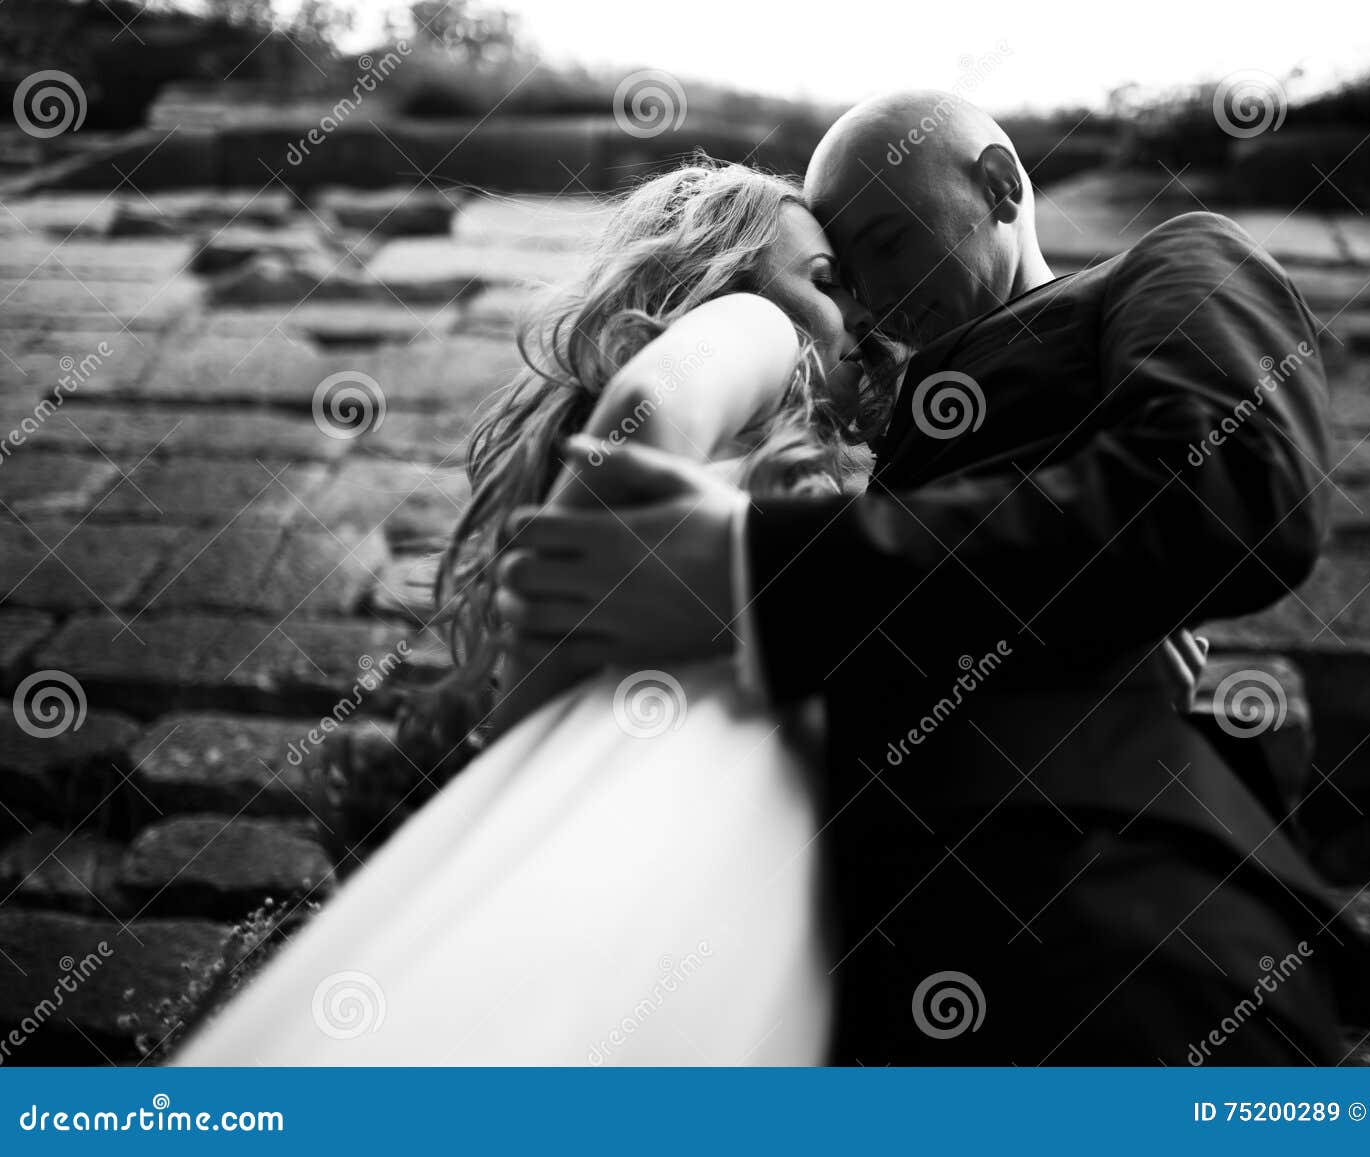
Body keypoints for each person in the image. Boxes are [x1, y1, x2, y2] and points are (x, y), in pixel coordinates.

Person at [503, 91, 1345, 1064]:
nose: (877, 305)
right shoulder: (862, 431)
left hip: (1109, 902)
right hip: (870, 983)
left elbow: (1231, 483)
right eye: (848, 277)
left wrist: (749, 565)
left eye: (889, 245)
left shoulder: (1170, 261)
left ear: (997, 184)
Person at [175, 160, 892, 1064]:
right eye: (828, 284)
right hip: (679, 770)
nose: (861, 315)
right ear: (722, 278)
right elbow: (646, 412)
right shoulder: (759, 327)